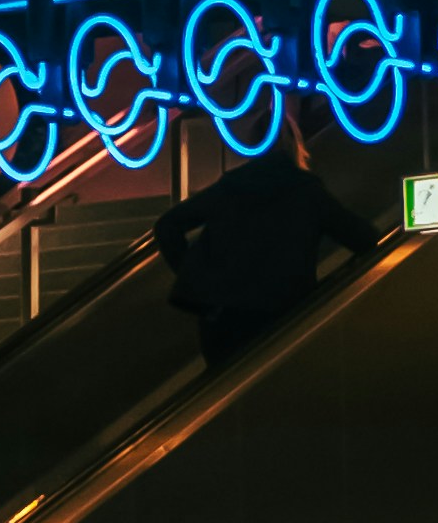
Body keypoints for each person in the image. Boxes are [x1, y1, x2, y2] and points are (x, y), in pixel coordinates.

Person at [150, 133, 375, 372]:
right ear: (295, 148)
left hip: (223, 318)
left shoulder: (232, 187)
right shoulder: (307, 191)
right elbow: (364, 239)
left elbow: (167, 226)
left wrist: (195, 276)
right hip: (285, 316)